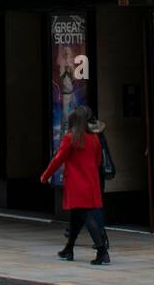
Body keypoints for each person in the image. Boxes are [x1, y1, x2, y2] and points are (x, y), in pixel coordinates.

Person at [41, 105, 110, 265]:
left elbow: (58, 159)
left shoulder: (70, 138)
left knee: (85, 216)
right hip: (91, 182)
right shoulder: (94, 138)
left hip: (77, 183)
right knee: (77, 217)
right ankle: (69, 249)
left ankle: (102, 251)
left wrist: (45, 176)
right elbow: (98, 160)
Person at [88, 111, 114, 258]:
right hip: (99, 175)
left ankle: (102, 240)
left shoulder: (89, 137)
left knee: (88, 209)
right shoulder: (100, 136)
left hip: (91, 175)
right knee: (95, 206)